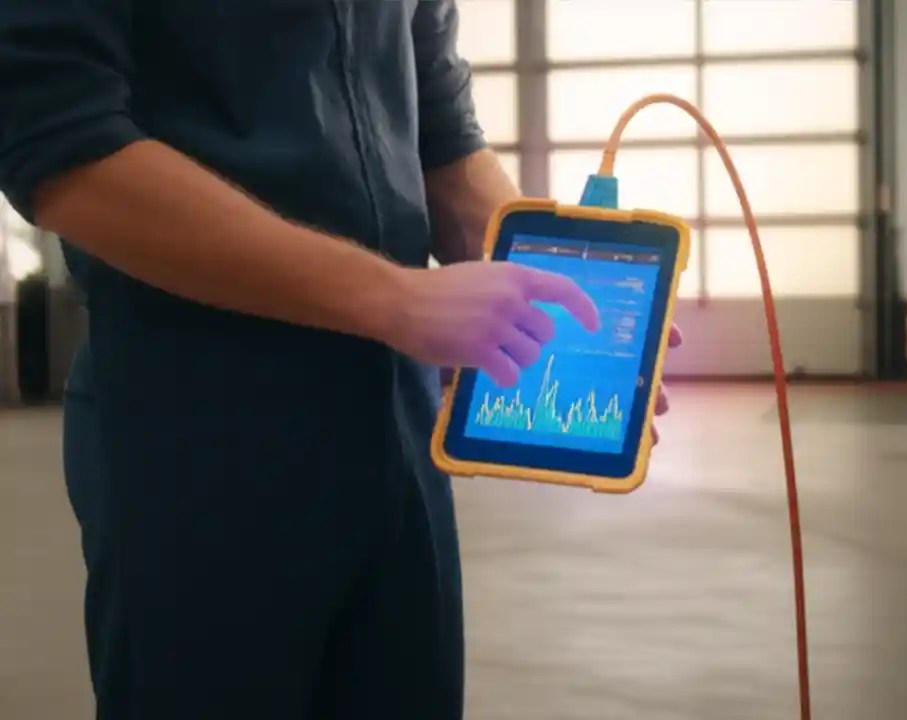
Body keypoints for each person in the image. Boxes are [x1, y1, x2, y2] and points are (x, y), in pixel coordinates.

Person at [0, 2, 678, 718]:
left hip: (395, 424)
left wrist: (555, 294)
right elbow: (64, 149)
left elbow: (442, 135)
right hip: (196, 430)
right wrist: (396, 300)